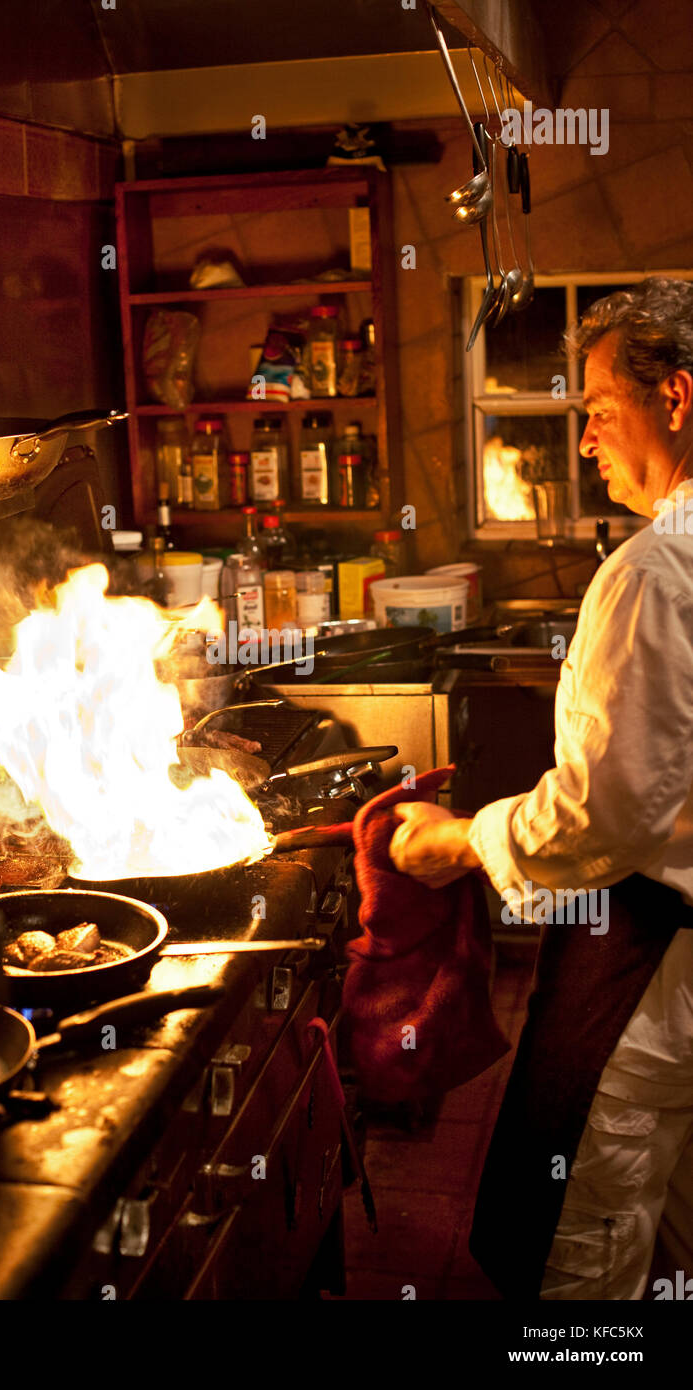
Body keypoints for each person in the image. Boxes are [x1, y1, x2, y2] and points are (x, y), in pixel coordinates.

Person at [389, 276, 693, 1300]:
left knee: (582, 1246)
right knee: (676, 1239)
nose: (586, 441)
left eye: (600, 411)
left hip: (650, 969)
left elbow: (606, 815)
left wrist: (460, 838)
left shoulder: (656, 572)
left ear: (676, 400)